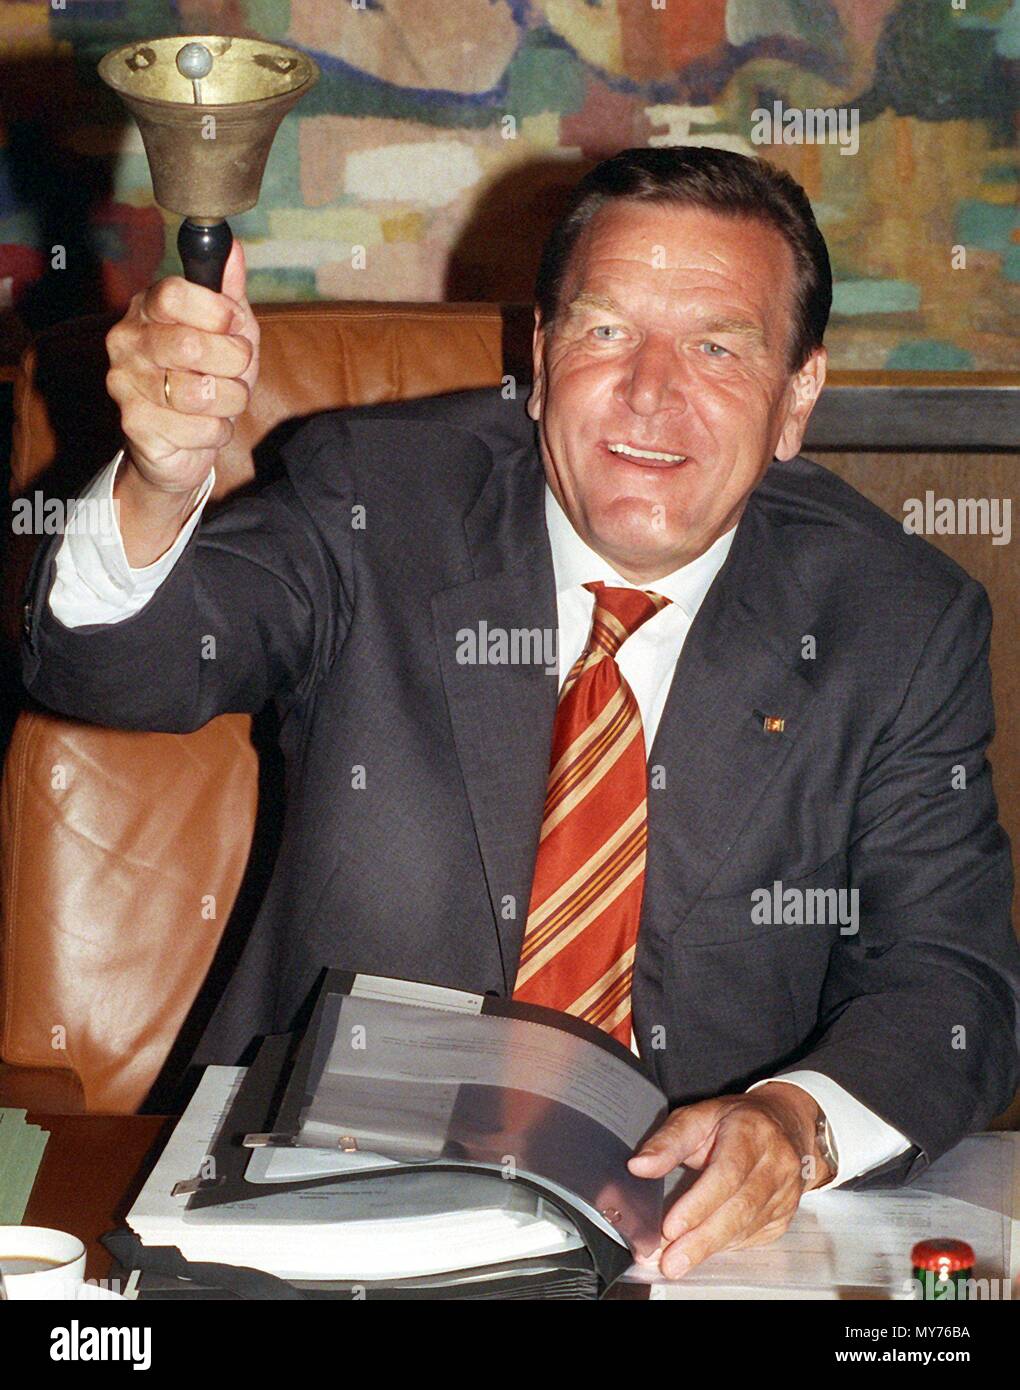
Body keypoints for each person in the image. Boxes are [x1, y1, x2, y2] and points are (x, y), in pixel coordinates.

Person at [20, 147, 1019, 1279]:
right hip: (308, 1219)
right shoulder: (377, 500)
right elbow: (111, 668)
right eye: (604, 331)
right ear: (540, 361)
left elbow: (950, 984)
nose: (650, 389)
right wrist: (157, 480)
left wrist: (795, 1127)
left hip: (692, 1250)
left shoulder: (897, 621)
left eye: (717, 347)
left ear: (796, 400)